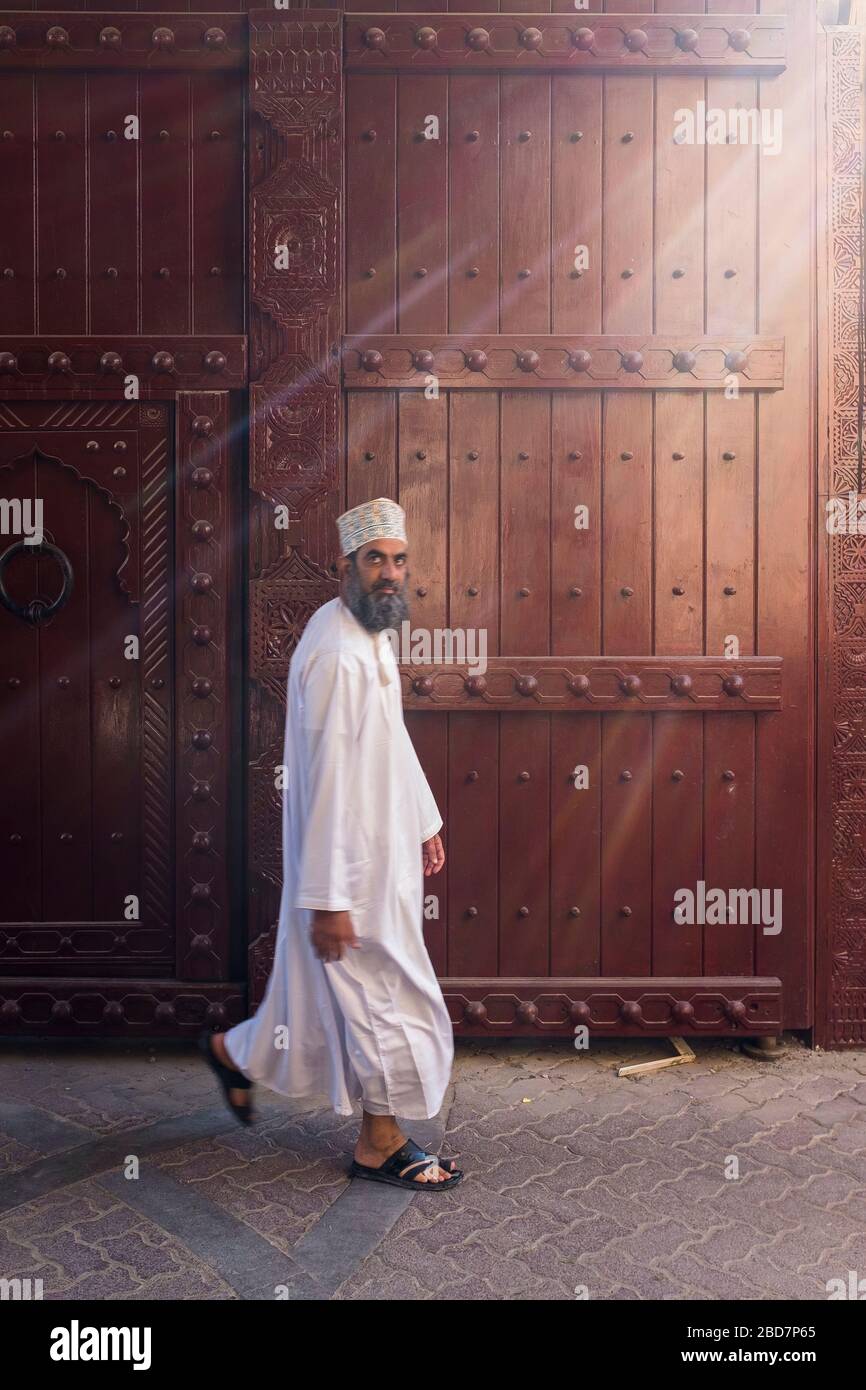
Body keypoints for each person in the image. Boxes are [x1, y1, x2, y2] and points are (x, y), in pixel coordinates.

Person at [199, 498, 462, 1189]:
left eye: (399, 560)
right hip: (352, 873)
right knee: (382, 998)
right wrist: (328, 899)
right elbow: (327, 786)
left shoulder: (367, 632)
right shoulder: (337, 653)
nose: (390, 574)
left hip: (381, 856)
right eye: (375, 560)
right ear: (346, 565)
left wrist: (425, 819)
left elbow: (390, 738)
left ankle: (233, 1051)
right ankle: (379, 1143)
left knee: (313, 997)